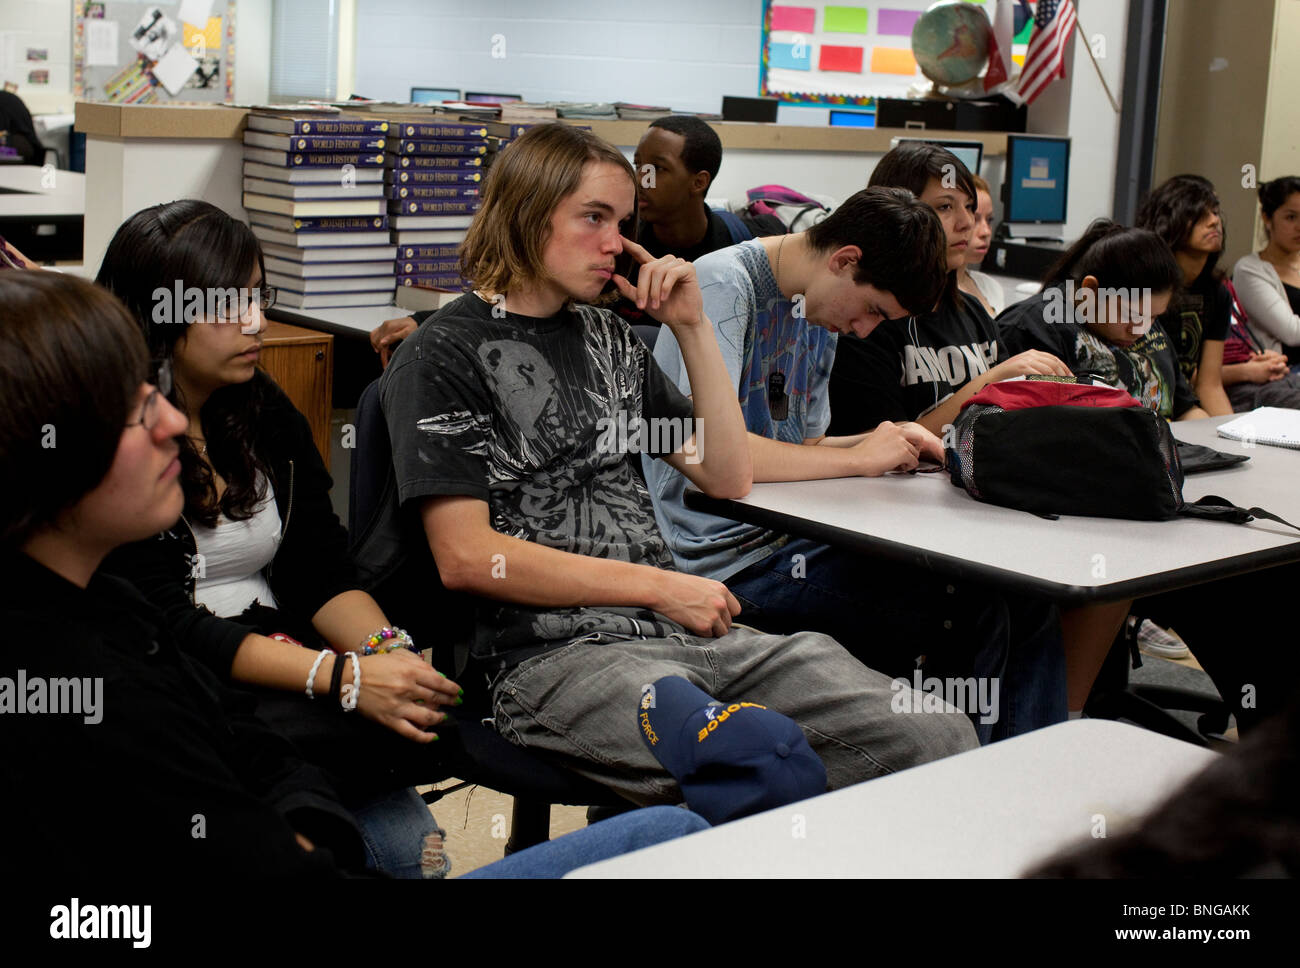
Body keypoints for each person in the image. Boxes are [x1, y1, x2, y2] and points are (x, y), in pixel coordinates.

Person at [0, 268, 721, 881]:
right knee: (670, 840)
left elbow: (253, 718)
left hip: (291, 740)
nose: (166, 423)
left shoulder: (109, 602)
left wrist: (372, 669)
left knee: (657, 833)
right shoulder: (77, 684)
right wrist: (337, 686)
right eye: (131, 411)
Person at [371, 122, 978, 809]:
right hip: (552, 660)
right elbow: (468, 558)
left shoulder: (607, 339)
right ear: (526, 213)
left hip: (683, 637)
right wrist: (659, 588)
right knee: (758, 767)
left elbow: (723, 474)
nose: (615, 243)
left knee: (937, 735)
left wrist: (689, 328)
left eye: (622, 222)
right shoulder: (443, 354)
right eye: (593, 218)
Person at [94, 200, 462, 875]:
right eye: (227, 305)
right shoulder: (115, 435)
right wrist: (342, 678)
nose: (255, 322)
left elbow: (320, 569)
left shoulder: (260, 406)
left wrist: (387, 655)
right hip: (188, 695)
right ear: (159, 313)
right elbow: (167, 624)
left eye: (258, 298)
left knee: (420, 859)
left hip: (287, 666)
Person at [644, 185, 1066, 742]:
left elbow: (801, 443)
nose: (865, 330)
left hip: (784, 534)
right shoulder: (722, 285)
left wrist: (886, 438)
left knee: (1025, 591)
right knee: (966, 605)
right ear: (845, 260)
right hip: (719, 554)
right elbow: (721, 459)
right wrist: (859, 459)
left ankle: (1030, 781)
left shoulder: (820, 308)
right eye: (872, 311)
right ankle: (964, 787)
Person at [827, 142, 1073, 438]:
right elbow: (881, 446)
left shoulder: (974, 314)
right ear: (898, 214)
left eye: (968, 207)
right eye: (945, 206)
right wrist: (992, 380)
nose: (967, 222)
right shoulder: (865, 320)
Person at [997, 220, 1208, 422]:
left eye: (1153, 317)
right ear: (1090, 290)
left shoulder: (1142, 318)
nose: (1141, 330)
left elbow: (1186, 409)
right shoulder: (1033, 328)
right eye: (1130, 315)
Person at [1134, 174, 1300, 414]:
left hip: (1189, 402)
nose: (1214, 222)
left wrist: (1232, 439)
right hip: (1150, 405)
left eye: (1215, 212)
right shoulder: (1148, 289)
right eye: (1200, 214)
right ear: (1171, 220)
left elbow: (1209, 385)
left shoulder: (1217, 293)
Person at [1233, 175, 1300, 374]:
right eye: (1291, 217)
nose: (1299, 226)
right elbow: (1292, 332)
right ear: (1267, 218)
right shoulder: (1249, 269)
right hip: (1283, 374)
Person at [957, 174, 1005, 318]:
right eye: (975, 219)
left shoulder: (991, 287)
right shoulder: (932, 298)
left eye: (989, 220)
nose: (986, 232)